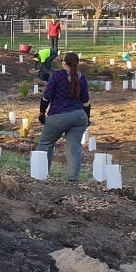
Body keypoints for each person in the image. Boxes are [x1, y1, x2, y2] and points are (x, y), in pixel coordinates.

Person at [37, 52, 90, 182]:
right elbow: (86, 102)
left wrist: (42, 113)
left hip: (58, 115)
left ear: (64, 63)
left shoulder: (56, 76)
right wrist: (87, 119)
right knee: (74, 147)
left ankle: (40, 175)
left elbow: (46, 97)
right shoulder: (81, 77)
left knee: (45, 143)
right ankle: (73, 179)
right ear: (77, 63)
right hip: (79, 117)